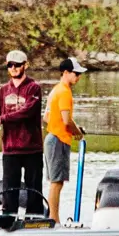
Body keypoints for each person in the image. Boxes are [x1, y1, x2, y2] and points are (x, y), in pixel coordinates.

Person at [0, 49, 43, 214]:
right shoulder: (3, 91)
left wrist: (1, 119)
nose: (14, 68)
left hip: (32, 148)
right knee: (10, 191)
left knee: (34, 189)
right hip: (10, 148)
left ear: (25, 65)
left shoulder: (34, 88)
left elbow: (27, 112)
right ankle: (8, 220)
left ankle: (35, 220)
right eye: (10, 65)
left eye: (17, 65)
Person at [43, 56, 86, 222]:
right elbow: (67, 121)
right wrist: (77, 132)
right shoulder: (65, 92)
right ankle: (54, 220)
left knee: (56, 182)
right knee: (57, 182)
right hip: (58, 140)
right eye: (76, 73)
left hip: (52, 138)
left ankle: (52, 217)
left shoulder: (56, 90)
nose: (78, 77)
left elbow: (47, 117)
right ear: (66, 72)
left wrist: (72, 128)